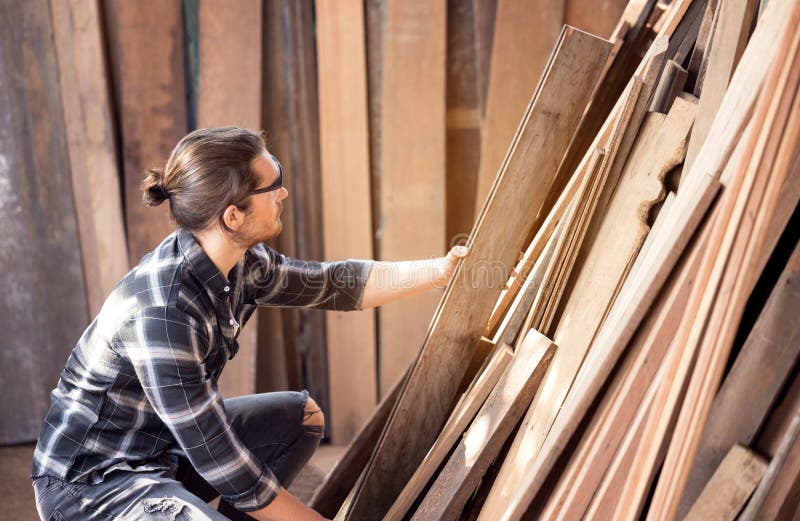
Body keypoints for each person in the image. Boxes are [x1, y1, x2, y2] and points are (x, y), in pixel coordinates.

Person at [31, 127, 469, 520]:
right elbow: (215, 451)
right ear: (232, 215)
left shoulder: (239, 263)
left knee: (300, 418)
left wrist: (441, 271)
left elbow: (334, 284)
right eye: (271, 186)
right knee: (235, 470)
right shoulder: (162, 313)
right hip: (91, 484)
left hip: (163, 450)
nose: (282, 193)